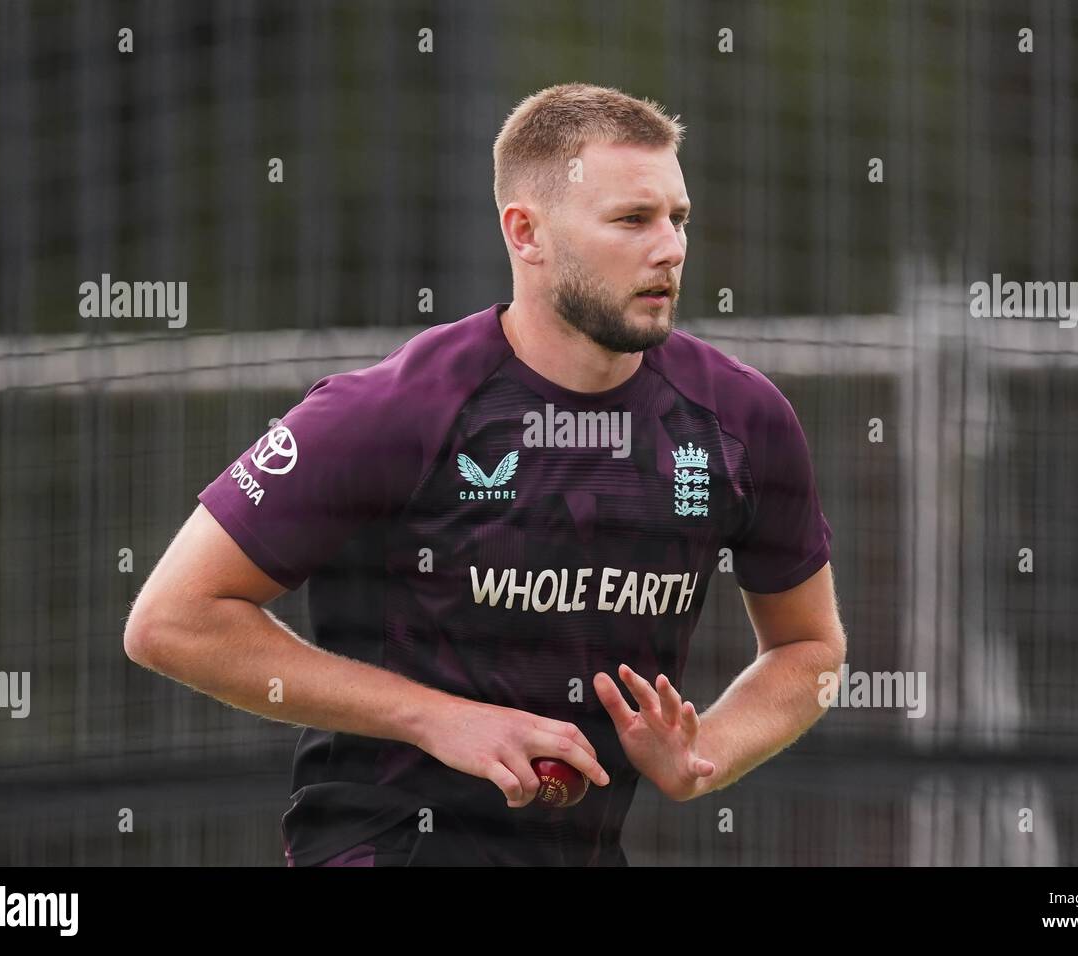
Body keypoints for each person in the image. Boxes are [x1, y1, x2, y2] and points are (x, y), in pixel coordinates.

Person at [123, 82, 846, 866]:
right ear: (526, 233)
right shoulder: (395, 411)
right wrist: (436, 717)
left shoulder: (742, 421)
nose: (669, 247)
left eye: (678, 219)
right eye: (632, 220)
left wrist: (706, 753)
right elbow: (171, 620)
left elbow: (811, 650)